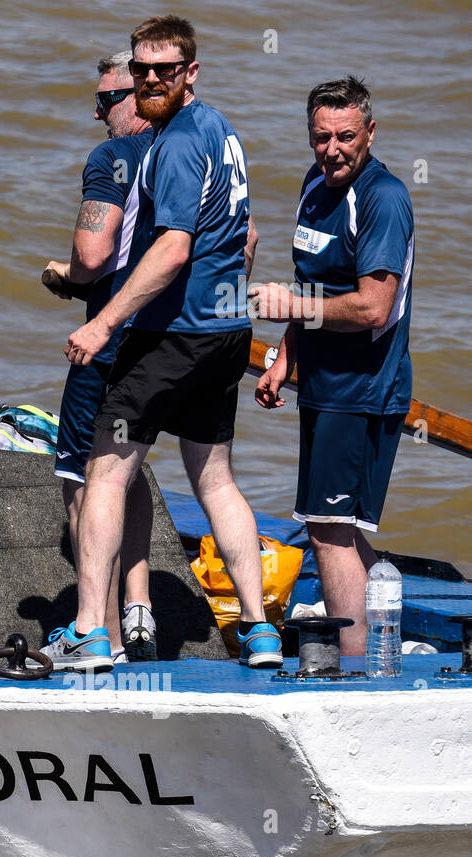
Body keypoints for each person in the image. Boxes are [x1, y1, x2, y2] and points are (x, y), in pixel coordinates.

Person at [57, 14, 275, 671]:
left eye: (165, 69)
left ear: (191, 73)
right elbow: (248, 237)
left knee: (106, 469)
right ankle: (261, 633)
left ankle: (91, 634)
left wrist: (103, 322)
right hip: (223, 334)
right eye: (142, 69)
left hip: (171, 338)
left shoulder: (177, 141)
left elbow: (174, 248)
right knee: (215, 479)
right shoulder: (219, 129)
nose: (152, 78)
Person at [252, 76, 414, 657]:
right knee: (333, 527)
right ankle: (387, 629)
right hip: (322, 386)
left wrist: (289, 306)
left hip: (365, 388)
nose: (334, 149)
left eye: (346, 136)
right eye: (322, 137)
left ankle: (357, 670)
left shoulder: (383, 197)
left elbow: (374, 306)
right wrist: (284, 359)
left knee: (326, 529)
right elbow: (313, 286)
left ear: (370, 131)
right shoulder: (314, 186)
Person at [42, 51, 157, 661]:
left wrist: (68, 275)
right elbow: (241, 244)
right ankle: (139, 609)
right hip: (175, 343)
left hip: (112, 338)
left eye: (107, 99)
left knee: (83, 476)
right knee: (128, 467)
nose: (97, 111)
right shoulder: (192, 151)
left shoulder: (111, 157)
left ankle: (97, 634)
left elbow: (92, 255)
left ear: (138, 95)